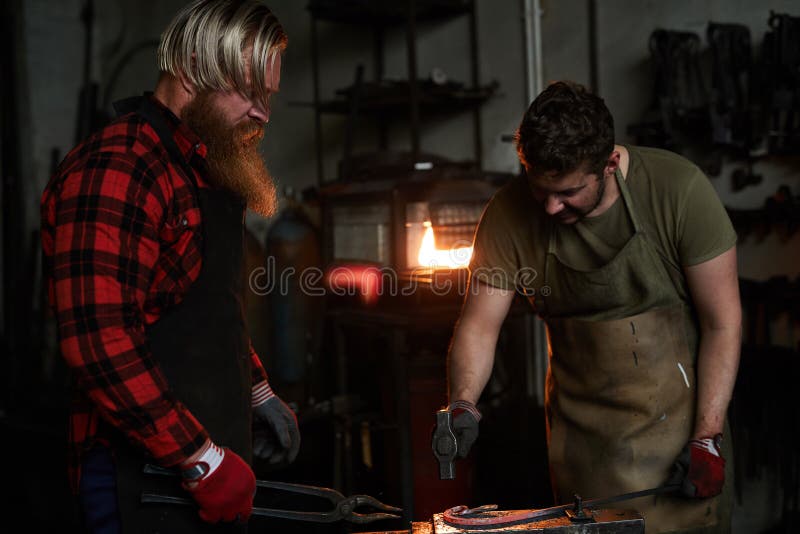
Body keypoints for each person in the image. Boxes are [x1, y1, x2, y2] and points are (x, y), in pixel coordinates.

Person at [40, 1, 300, 532]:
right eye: (248, 92)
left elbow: (204, 309)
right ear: (189, 72)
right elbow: (99, 343)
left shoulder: (204, 169)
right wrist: (200, 459)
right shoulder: (120, 165)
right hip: (138, 479)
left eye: (266, 97)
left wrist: (258, 391)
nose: (262, 113)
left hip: (204, 463)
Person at [439, 81, 741, 533]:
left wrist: (708, 437)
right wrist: (463, 403)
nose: (550, 207)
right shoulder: (508, 214)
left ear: (610, 163)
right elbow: (480, 326)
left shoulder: (677, 191)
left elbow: (723, 322)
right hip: (582, 445)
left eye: (568, 192)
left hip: (682, 439)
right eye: (540, 189)